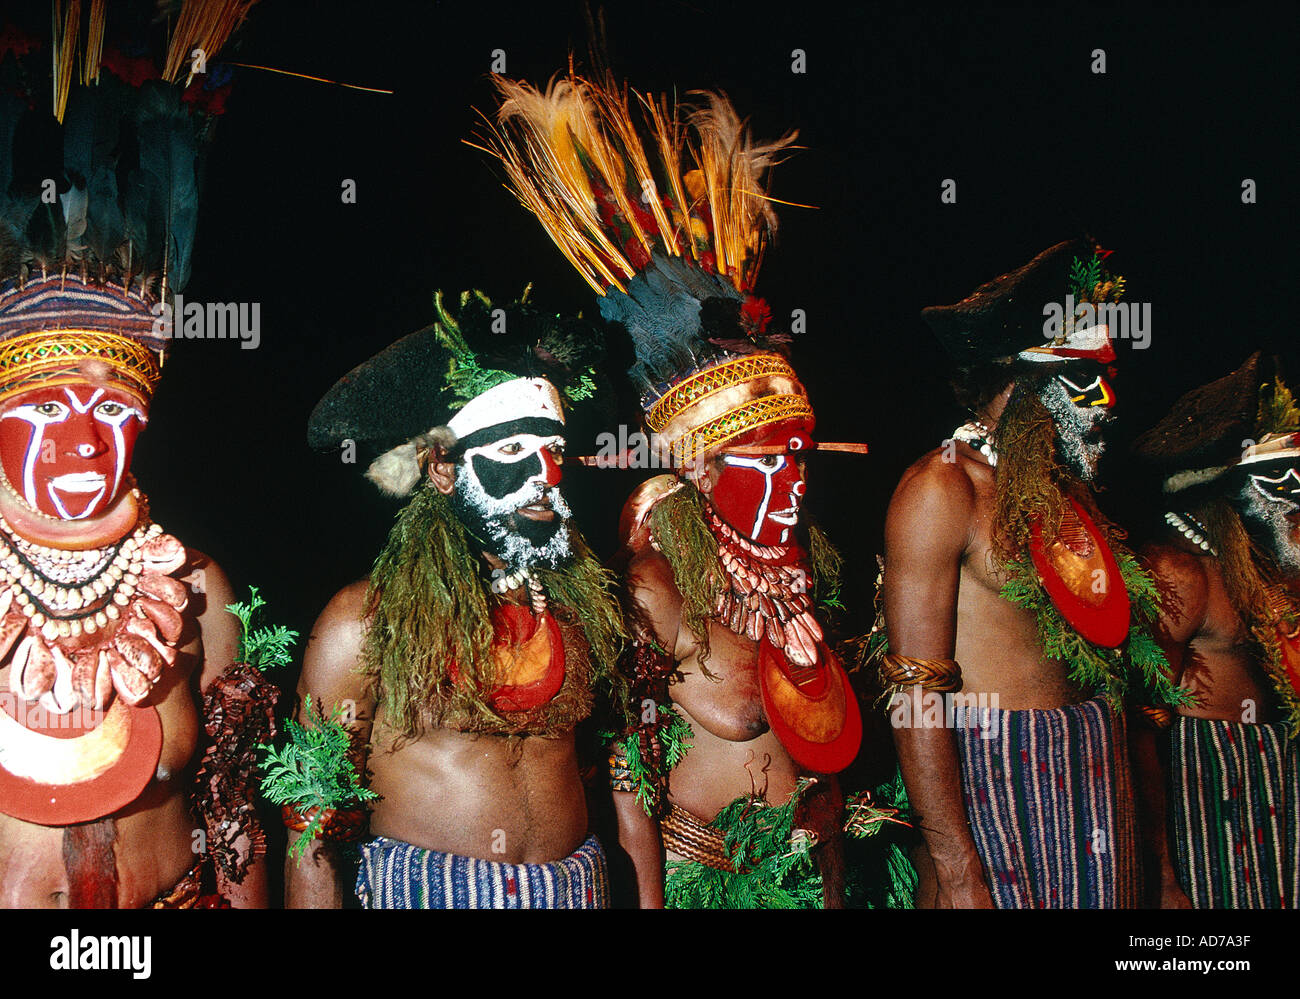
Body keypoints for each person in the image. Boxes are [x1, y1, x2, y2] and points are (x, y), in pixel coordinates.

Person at [476, 74, 900, 909]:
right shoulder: (655, 586)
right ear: (701, 468)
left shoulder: (804, 573)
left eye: (800, 460)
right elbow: (626, 785)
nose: (792, 487)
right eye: (764, 461)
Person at [0, 9, 272, 908]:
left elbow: (235, 812)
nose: (84, 443)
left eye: (113, 408)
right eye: (45, 407)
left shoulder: (198, 589)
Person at [286, 290, 625, 909]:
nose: (546, 476)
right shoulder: (364, 621)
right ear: (442, 471)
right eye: (512, 452)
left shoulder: (581, 611)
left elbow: (612, 770)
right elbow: (315, 822)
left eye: (551, 451)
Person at [880, 239, 1181, 908]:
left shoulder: (1066, 496)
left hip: (1099, 785)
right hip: (1001, 793)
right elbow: (915, 696)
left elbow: (1120, 684)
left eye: (1107, 375)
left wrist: (1157, 869)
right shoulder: (943, 489)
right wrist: (958, 871)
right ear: (1016, 382)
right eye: (1081, 379)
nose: (1106, 400)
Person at [1134, 352, 1299, 907]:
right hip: (1208, 802)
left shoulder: (1273, 566)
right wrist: (1161, 876)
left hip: (1282, 791)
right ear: (1225, 487)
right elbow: (1141, 728)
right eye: (1277, 479)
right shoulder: (1180, 573)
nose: (1296, 497)